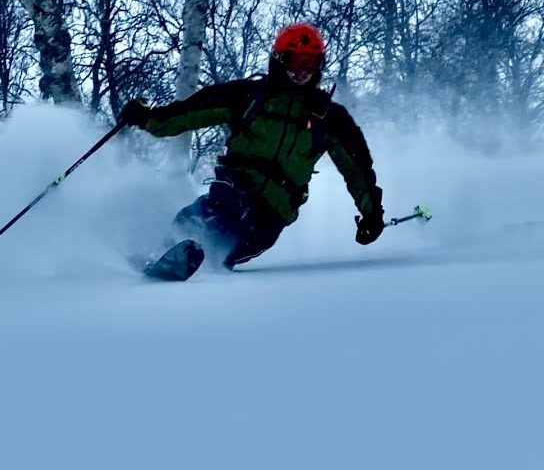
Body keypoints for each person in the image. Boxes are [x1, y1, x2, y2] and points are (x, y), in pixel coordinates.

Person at [118, 22, 385, 279]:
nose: (303, 72)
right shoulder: (248, 97)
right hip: (235, 187)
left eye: (311, 63)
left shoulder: (329, 117)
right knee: (207, 214)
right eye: (296, 62)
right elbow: (189, 113)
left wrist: (371, 215)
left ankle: (199, 261)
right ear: (280, 60)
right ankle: (162, 254)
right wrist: (147, 118)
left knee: (235, 240)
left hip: (274, 210)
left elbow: (358, 168)